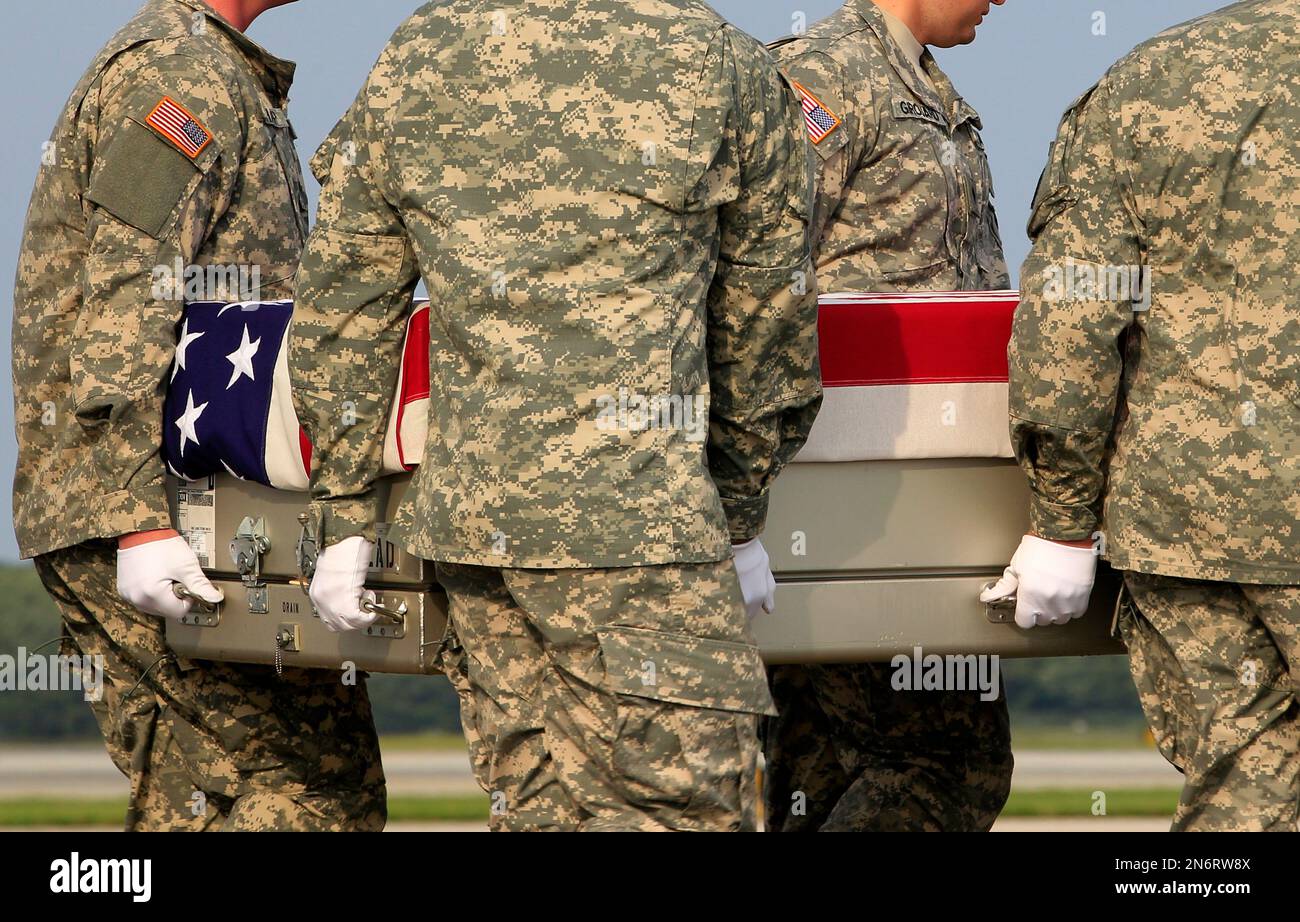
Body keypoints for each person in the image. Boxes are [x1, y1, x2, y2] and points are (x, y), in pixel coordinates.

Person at [290, 0, 821, 831]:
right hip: (639, 535)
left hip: (475, 537)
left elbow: (345, 307)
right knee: (680, 813)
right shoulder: (722, 61)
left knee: (540, 815)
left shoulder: (423, 50)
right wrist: (740, 506)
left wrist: (347, 508)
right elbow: (765, 325)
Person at [12, 0, 386, 831]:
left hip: (208, 515)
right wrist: (136, 522)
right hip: (150, 511)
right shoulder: (179, 75)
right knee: (277, 796)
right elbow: (122, 299)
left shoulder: (219, 71)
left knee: (283, 789)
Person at [985, 0, 1300, 832]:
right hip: (1195, 527)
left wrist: (1060, 523)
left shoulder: (1149, 81)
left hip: (1193, 523)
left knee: (1245, 786)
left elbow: (1071, 322)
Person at [764, 0, 1013, 832]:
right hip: (848, 487)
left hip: (912, 479)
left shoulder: (928, 85)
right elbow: (760, 274)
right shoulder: (823, 75)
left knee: (826, 767)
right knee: (944, 760)